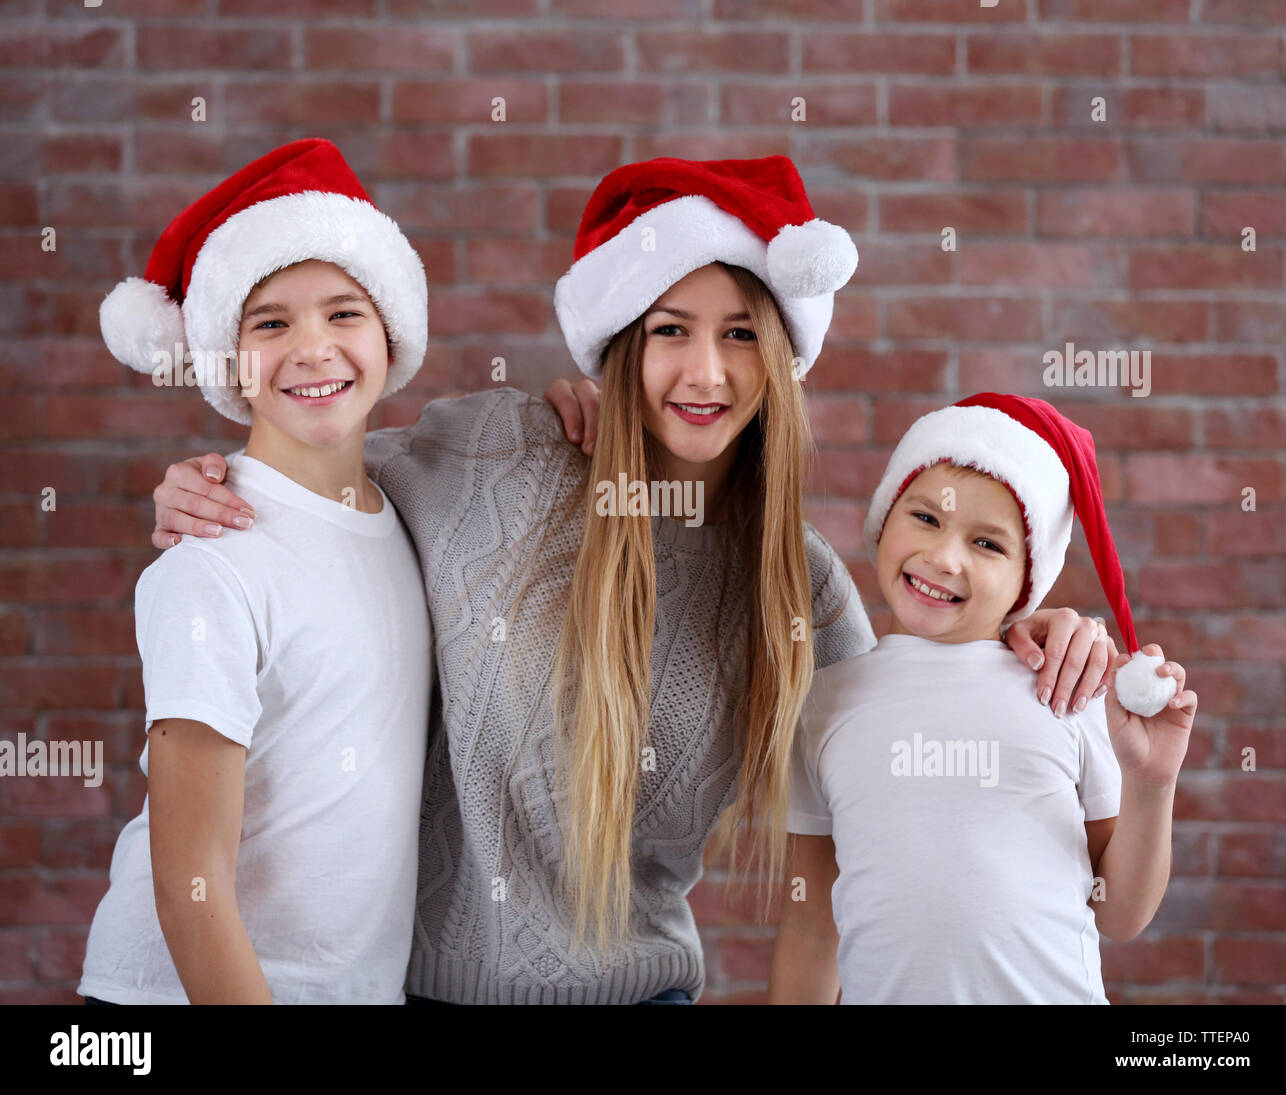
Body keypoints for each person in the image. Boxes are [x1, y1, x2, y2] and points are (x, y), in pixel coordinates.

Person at [147, 156, 1113, 1004]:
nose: (705, 371)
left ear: (781, 359)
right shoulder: (500, 454)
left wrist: (1034, 632)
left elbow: (907, 750)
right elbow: (314, 473)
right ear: (622, 345)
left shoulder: (805, 595)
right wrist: (207, 487)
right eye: (668, 331)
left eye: (741, 334)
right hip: (414, 992)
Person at [77, 138, 437, 1004]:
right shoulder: (214, 556)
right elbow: (187, 879)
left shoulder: (407, 515)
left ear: (392, 333)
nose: (313, 348)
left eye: (344, 312)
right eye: (270, 322)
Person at [768, 394, 1197, 1004]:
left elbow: (1120, 915)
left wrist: (1152, 787)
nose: (943, 558)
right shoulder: (823, 704)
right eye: (924, 518)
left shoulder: (1065, 691)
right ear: (882, 520)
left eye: (988, 544)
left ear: (1029, 576)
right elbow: (812, 922)